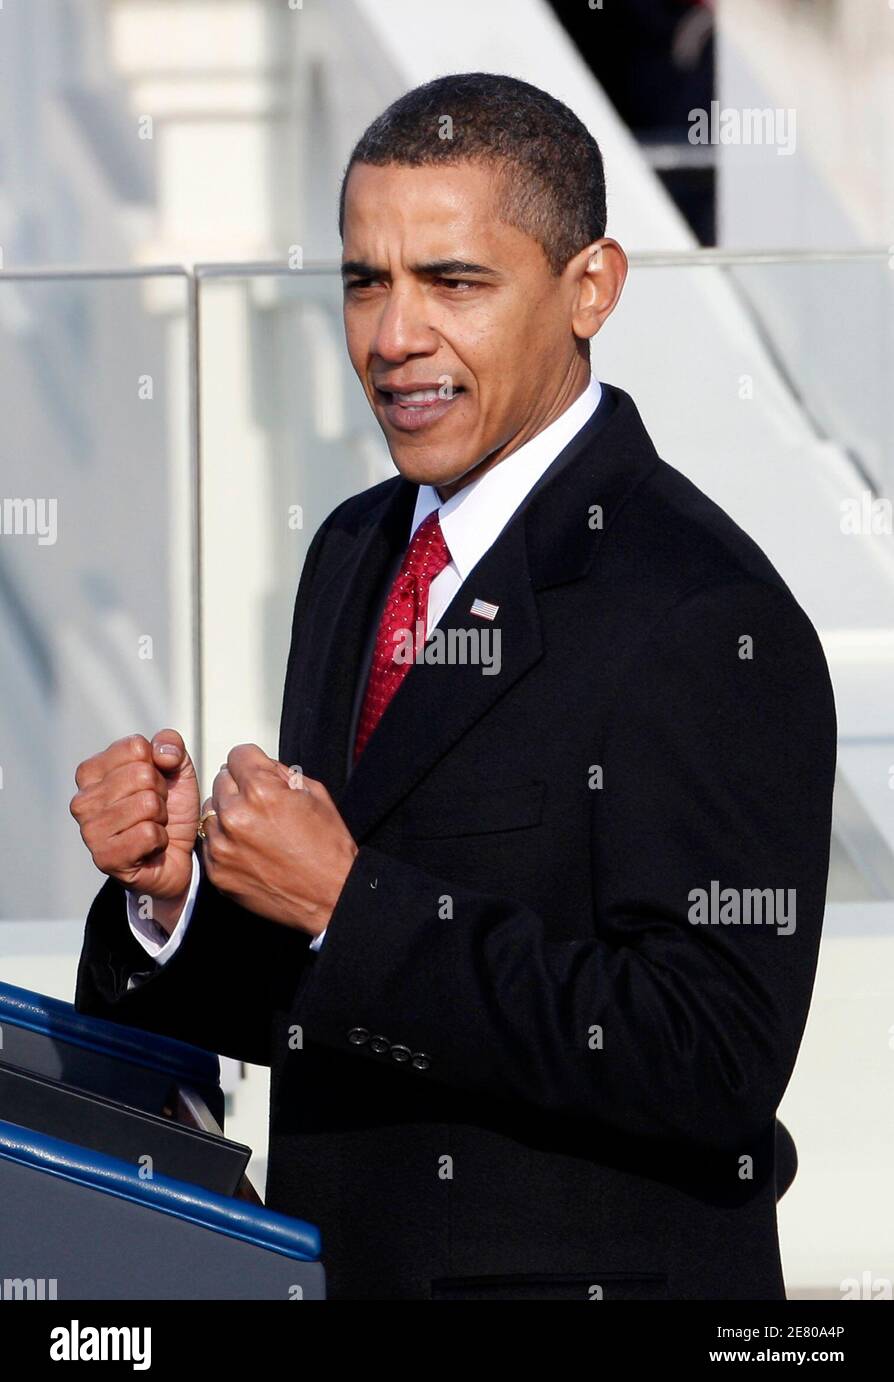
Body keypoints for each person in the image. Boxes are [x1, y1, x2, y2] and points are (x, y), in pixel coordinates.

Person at [70, 72, 836, 1300]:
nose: (393, 336)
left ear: (592, 287)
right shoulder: (357, 550)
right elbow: (338, 998)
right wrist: (178, 904)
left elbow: (713, 1058)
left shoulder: (705, 613)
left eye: (454, 282)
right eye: (365, 279)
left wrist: (346, 898)